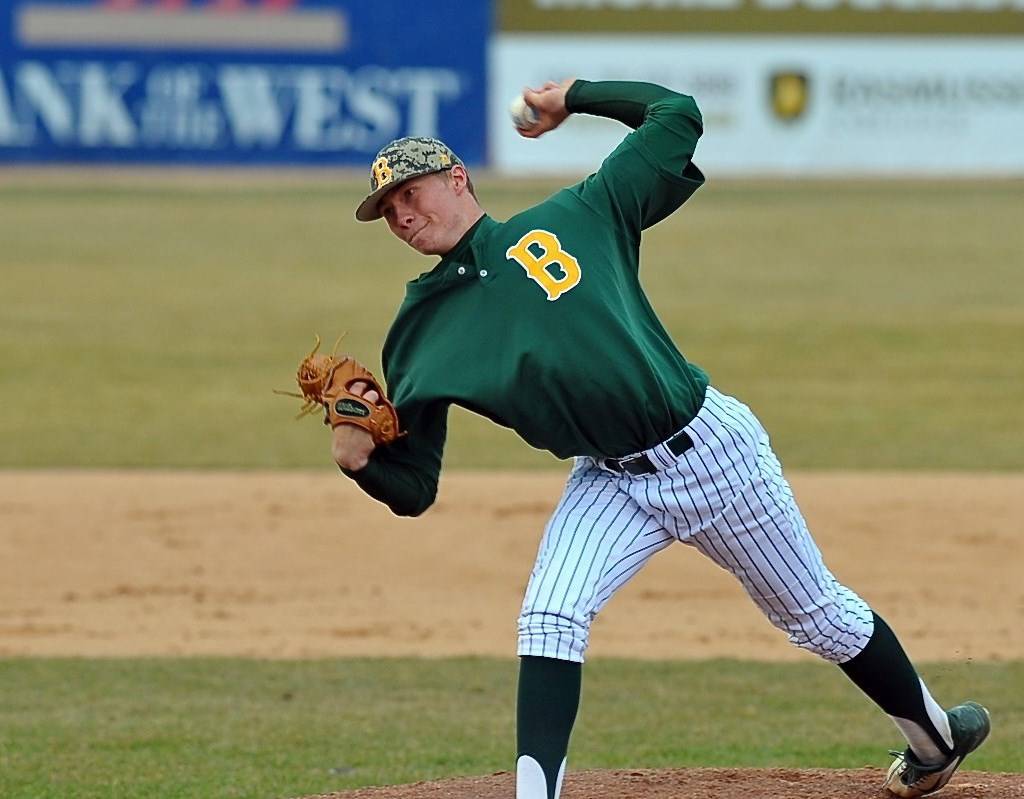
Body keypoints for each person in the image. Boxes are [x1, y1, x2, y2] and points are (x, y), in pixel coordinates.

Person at [333, 77, 990, 799]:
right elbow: (415, 488)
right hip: (610, 481)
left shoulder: (579, 212)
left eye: (410, 192)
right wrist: (360, 461)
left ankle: (937, 739)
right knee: (550, 613)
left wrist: (576, 96)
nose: (400, 214)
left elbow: (677, 114)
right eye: (387, 209)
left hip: (712, 449)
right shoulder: (419, 327)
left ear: (457, 178)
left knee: (819, 618)